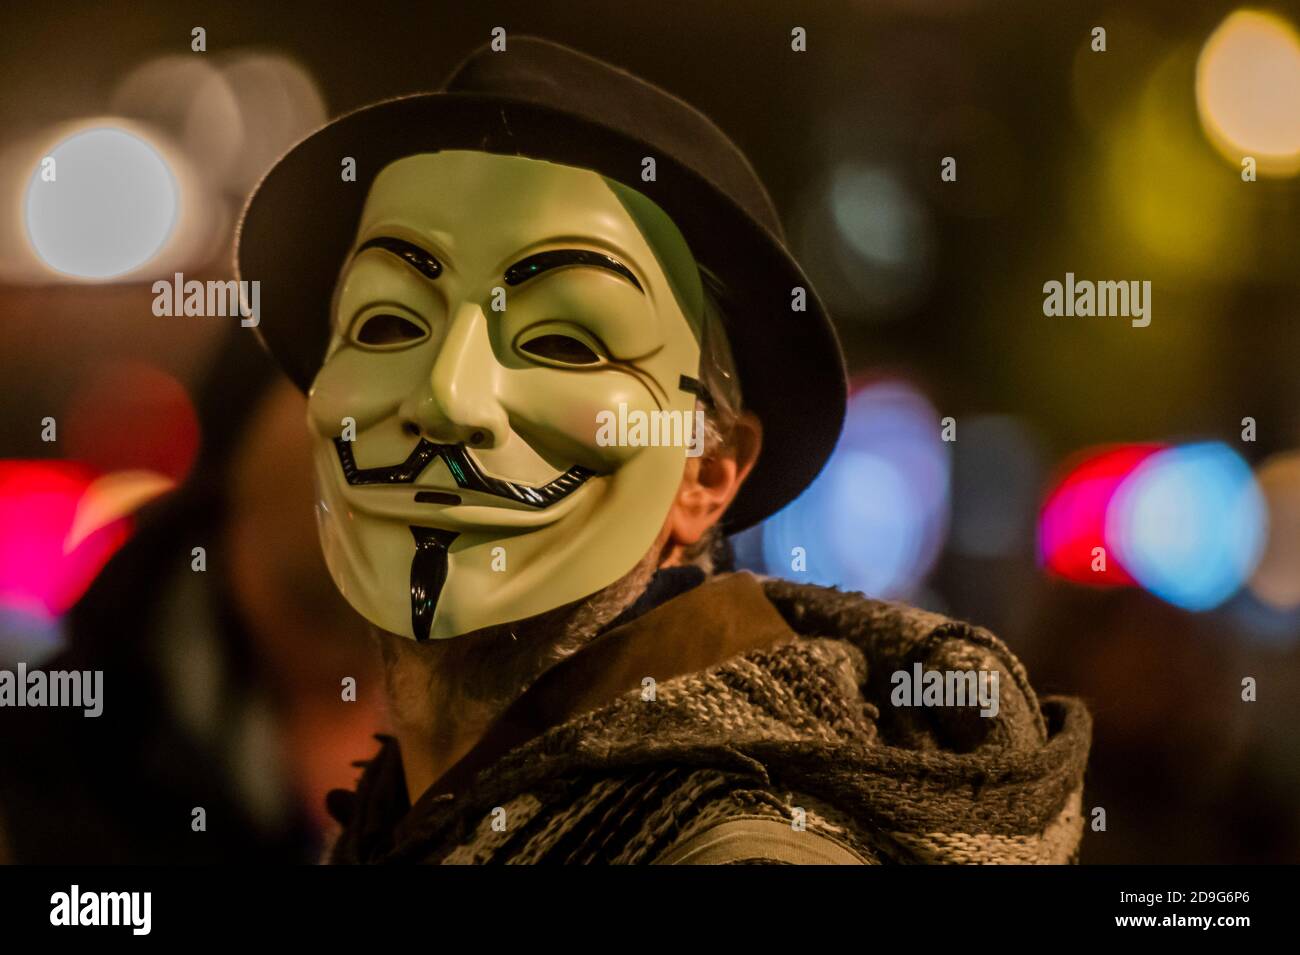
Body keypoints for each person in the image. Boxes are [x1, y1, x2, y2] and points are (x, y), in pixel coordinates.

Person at [236, 36, 1091, 864]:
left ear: (708, 471)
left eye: (566, 343)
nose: (445, 398)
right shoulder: (425, 813)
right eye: (388, 324)